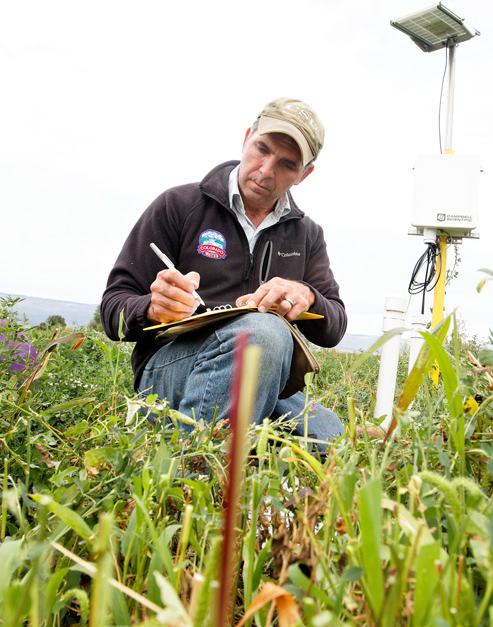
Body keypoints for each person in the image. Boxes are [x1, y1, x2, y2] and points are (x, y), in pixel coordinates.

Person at [100, 97, 347, 453]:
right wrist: (152, 308)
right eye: (262, 149)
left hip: (266, 377)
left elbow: (335, 325)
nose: (265, 170)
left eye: (287, 164)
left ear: (304, 174)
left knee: (332, 436)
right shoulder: (179, 206)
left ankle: (253, 468)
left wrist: (305, 294)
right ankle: (197, 475)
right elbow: (113, 309)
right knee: (262, 335)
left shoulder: (307, 236)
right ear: (247, 137)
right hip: (170, 370)